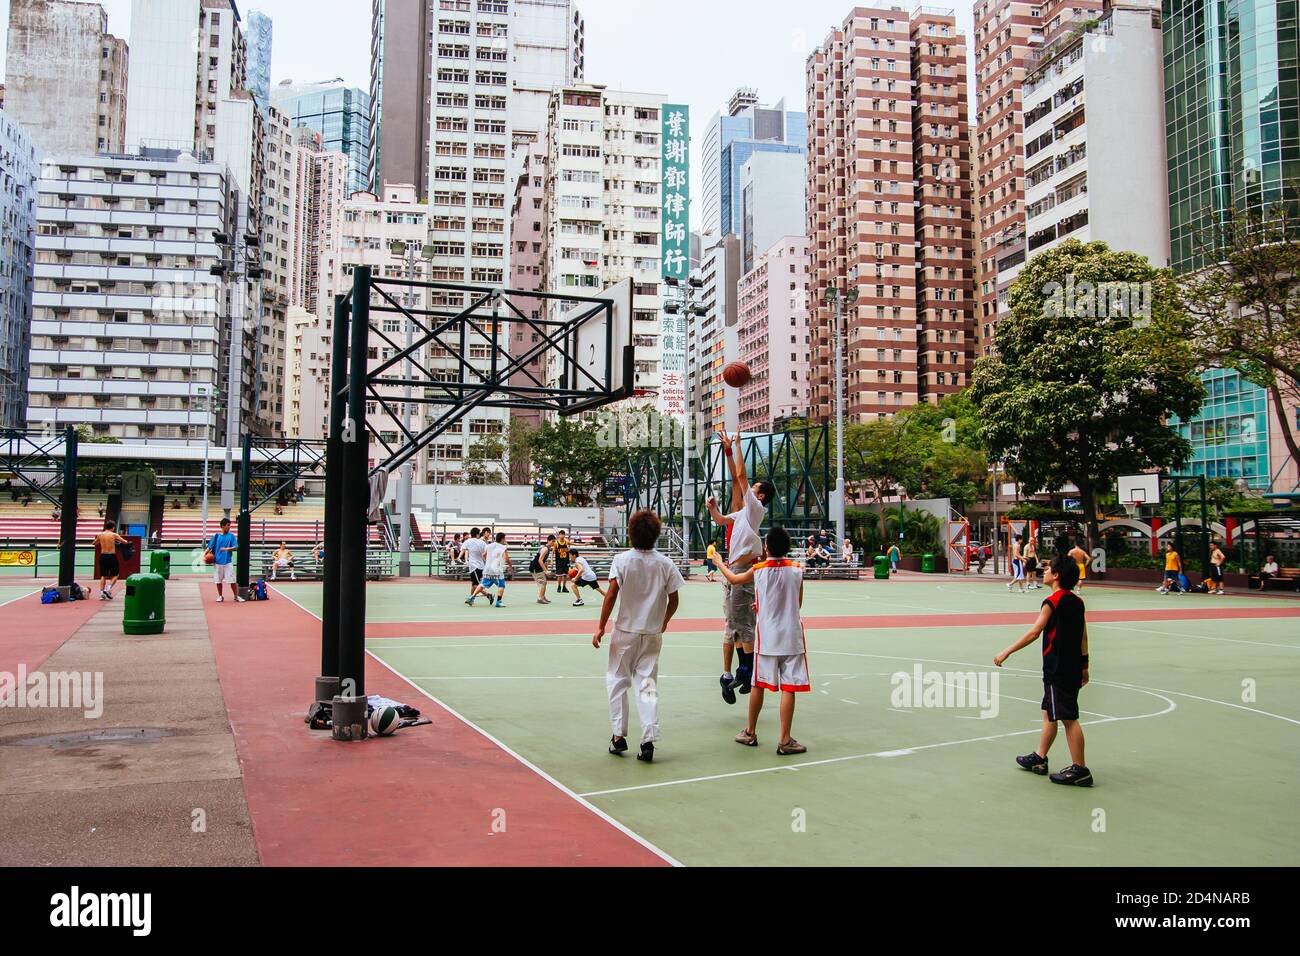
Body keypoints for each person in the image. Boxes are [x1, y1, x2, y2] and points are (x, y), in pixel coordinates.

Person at [592, 509, 684, 763]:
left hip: (624, 632)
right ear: (656, 534)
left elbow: (611, 595)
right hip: (652, 633)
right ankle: (648, 740)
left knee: (617, 681)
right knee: (647, 686)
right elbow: (674, 598)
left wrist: (600, 626)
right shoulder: (665, 563)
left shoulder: (622, 560)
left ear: (631, 533)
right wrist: (664, 620)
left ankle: (618, 736)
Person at [993, 555, 1093, 786]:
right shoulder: (1077, 602)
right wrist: (1085, 665)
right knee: (1049, 711)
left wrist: (1007, 651)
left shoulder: (1052, 602)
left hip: (1058, 668)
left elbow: (1034, 632)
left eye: (1048, 569)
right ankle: (1039, 757)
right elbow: (1083, 636)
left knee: (1068, 717)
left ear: (1056, 575)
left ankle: (1080, 769)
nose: (1044, 571)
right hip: (1071, 666)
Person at [719, 526, 810, 755]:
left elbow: (734, 578)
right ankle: (784, 739)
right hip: (791, 636)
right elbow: (796, 603)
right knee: (788, 688)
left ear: (766, 547)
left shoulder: (758, 569)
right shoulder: (798, 570)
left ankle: (750, 732)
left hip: (767, 637)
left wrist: (719, 562)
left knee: (758, 684)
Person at [710, 430, 777, 705]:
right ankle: (740, 671)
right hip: (733, 569)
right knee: (735, 625)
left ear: (759, 496)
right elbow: (722, 518)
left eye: (754, 488)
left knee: (743, 626)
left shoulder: (755, 509)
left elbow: (740, 479)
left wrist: (736, 446)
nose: (749, 490)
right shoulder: (742, 513)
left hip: (741, 571)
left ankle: (747, 672)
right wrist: (712, 507)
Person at [207, 518, 243, 603]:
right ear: (223, 526)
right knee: (218, 581)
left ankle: (236, 596)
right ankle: (220, 596)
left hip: (227, 562)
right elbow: (210, 547)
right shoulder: (216, 536)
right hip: (217, 562)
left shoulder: (231, 536)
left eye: (230, 525)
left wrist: (226, 549)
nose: (229, 527)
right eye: (228, 525)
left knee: (232, 580)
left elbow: (236, 547)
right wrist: (204, 555)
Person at [92, 521, 128, 600]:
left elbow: (94, 543)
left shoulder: (100, 535)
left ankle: (101, 593)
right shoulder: (114, 535)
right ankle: (108, 588)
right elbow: (125, 542)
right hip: (111, 556)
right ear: (113, 527)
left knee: (103, 575)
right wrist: (115, 542)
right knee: (116, 574)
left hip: (103, 555)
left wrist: (101, 541)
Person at [482, 532, 513, 608]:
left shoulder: (489, 545)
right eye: (505, 538)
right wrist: (510, 566)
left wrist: (487, 562)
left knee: (482, 584)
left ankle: (472, 597)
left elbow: (483, 555)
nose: (505, 540)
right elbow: (507, 559)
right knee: (501, 585)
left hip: (488, 568)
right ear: (502, 539)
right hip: (497, 569)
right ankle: (498, 601)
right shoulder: (503, 547)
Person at [461, 527, 490, 606]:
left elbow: (463, 550)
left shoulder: (468, 541)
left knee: (475, 585)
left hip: (474, 566)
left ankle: (489, 595)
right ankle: (471, 599)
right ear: (477, 534)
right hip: (480, 566)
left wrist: (459, 558)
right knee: (474, 583)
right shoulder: (482, 542)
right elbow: (486, 553)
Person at [531, 535, 555, 604]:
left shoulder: (548, 548)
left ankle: (542, 597)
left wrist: (546, 570)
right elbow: (540, 560)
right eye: (552, 541)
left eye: (554, 541)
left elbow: (544, 561)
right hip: (535, 566)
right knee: (543, 582)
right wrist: (546, 571)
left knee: (544, 582)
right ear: (548, 541)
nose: (553, 543)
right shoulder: (545, 549)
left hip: (537, 566)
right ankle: (540, 598)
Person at [553, 530, 573, 595]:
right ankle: (559, 586)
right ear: (559, 535)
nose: (562, 535)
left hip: (566, 560)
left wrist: (584, 544)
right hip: (559, 561)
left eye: (563, 534)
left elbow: (574, 544)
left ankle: (564, 587)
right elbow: (553, 552)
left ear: (564, 535)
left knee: (565, 574)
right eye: (561, 534)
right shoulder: (556, 543)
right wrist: (551, 560)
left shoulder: (566, 541)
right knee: (559, 575)